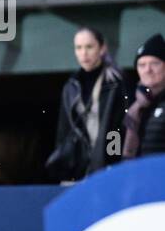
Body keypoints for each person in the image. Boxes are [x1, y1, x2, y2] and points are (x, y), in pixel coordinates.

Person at [47, 27, 130, 180]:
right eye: (78, 48)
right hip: (78, 168)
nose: (83, 53)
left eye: (89, 47)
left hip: (107, 165)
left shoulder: (115, 82)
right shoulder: (71, 86)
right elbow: (64, 132)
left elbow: (118, 128)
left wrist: (113, 162)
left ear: (102, 48)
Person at [124, 32, 165, 160]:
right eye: (142, 65)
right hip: (135, 176)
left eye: (155, 63)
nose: (148, 70)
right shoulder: (132, 104)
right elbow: (113, 136)